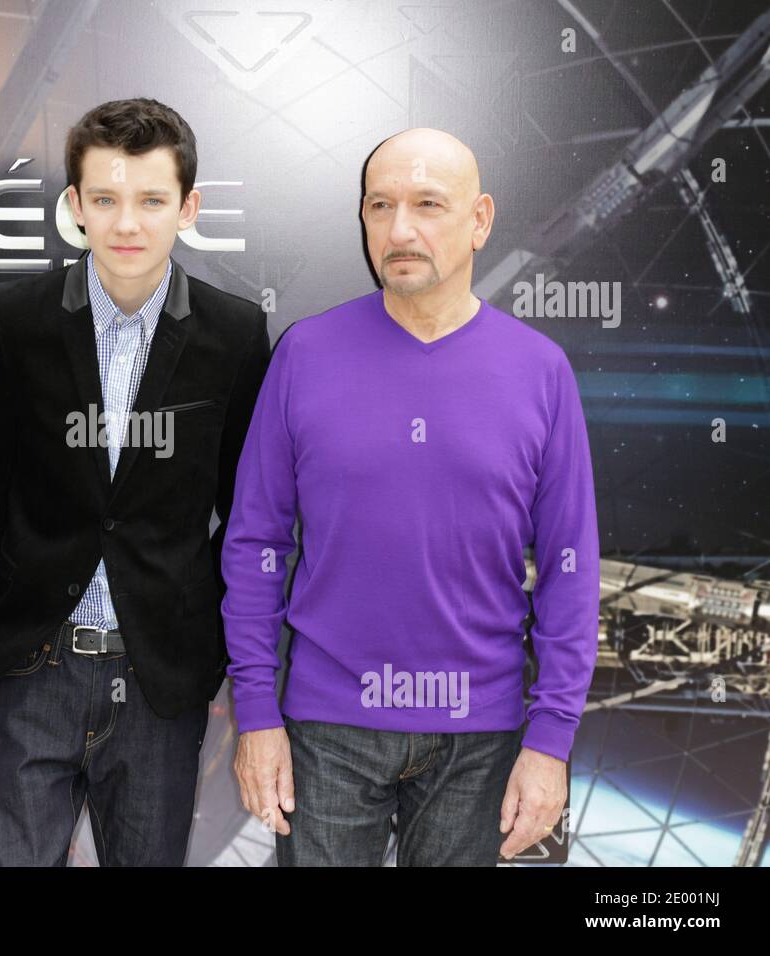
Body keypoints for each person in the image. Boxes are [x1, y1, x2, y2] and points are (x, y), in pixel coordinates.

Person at [222, 127, 599, 865]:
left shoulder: (540, 371)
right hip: (324, 734)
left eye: (429, 204)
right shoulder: (304, 353)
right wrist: (257, 713)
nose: (400, 229)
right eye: (380, 205)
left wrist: (550, 742)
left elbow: (570, 567)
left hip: (480, 738)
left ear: (481, 219)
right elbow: (254, 544)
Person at [0, 97, 271, 866]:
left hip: (160, 675)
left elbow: (248, 503)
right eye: (105, 200)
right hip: (37, 664)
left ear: (187, 208)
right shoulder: (17, 316)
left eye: (152, 201)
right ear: (75, 207)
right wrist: (16, 598)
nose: (128, 224)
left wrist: (195, 620)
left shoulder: (233, 333)